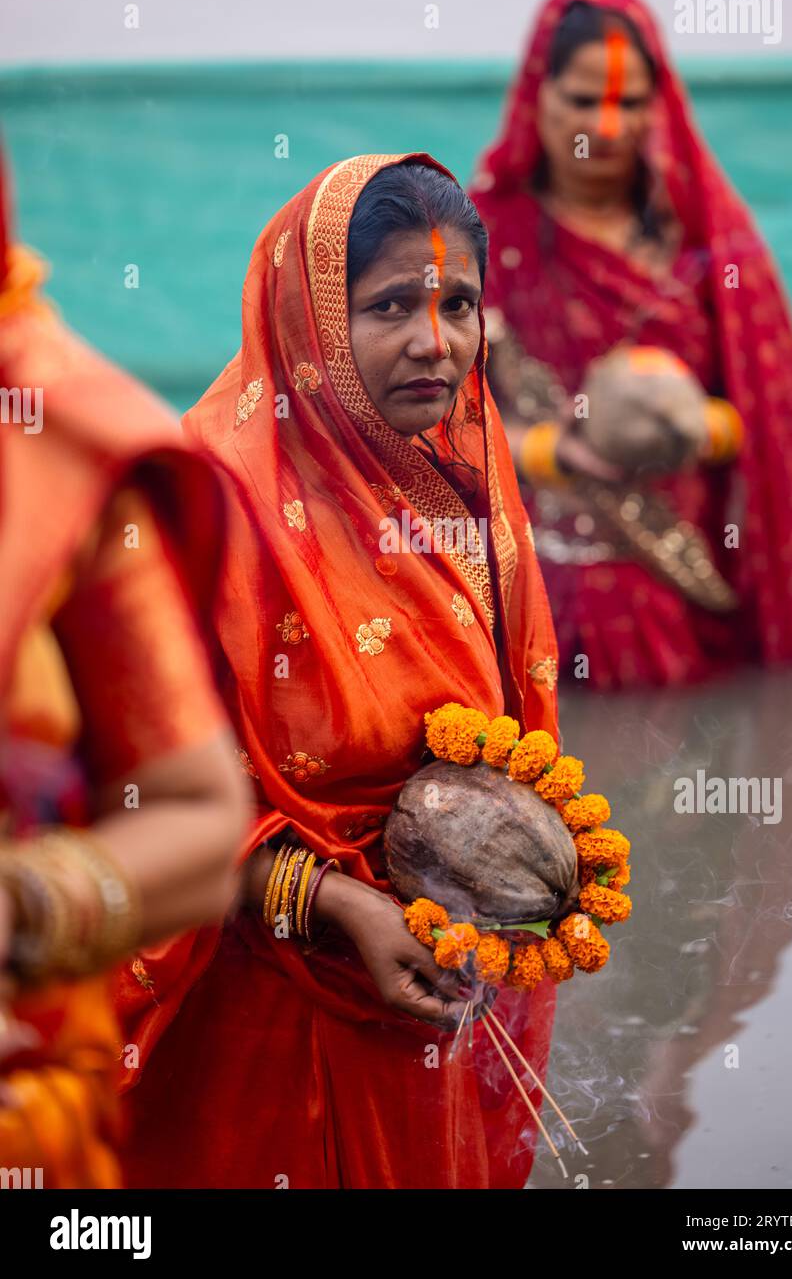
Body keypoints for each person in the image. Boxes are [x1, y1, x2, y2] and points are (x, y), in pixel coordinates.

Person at [118, 153, 560, 1190]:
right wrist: (332, 904)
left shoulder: (473, 495)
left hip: (433, 991)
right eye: (392, 304)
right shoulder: (204, 512)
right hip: (262, 1014)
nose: (435, 342)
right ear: (307, 316)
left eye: (460, 304)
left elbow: (523, 744)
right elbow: (132, 800)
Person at [0, 150, 248, 1186]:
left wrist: (24, 907)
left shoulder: (55, 452)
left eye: (459, 305)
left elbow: (206, 812)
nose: (436, 344)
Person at [470, 0, 792, 690]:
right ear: (537, 92)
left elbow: (770, 415)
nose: (607, 125)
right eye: (581, 99)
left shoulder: (706, 247)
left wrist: (694, 426)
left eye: (628, 103)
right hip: (520, 594)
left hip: (679, 590)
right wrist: (547, 450)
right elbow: (426, 420)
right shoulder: (481, 232)